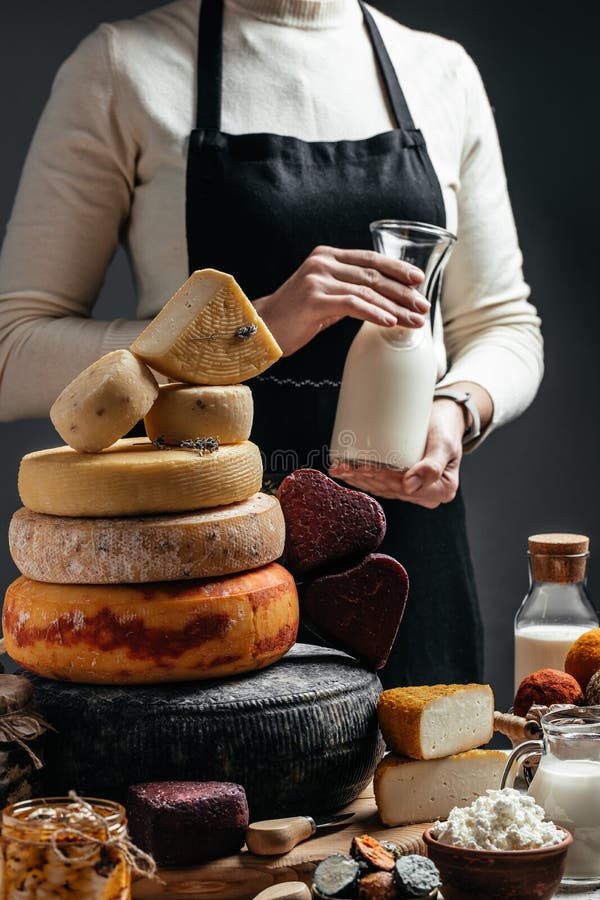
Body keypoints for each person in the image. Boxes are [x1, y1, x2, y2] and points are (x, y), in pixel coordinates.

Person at [0, 0, 543, 687]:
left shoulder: (441, 72)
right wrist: (246, 329)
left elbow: (505, 323)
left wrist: (457, 411)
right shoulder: (122, 68)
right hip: (191, 577)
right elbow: (13, 350)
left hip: (405, 566)